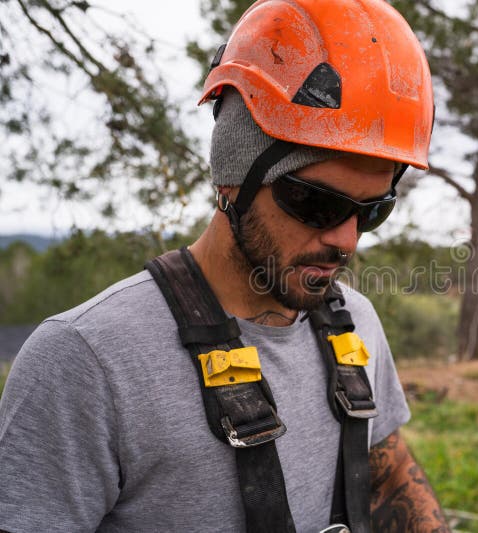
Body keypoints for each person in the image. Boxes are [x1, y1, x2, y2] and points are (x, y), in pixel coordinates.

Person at [0, 1, 448, 532]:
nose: (345, 238)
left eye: (372, 211)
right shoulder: (86, 361)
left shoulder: (355, 324)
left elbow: (389, 477)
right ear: (235, 175)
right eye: (318, 204)